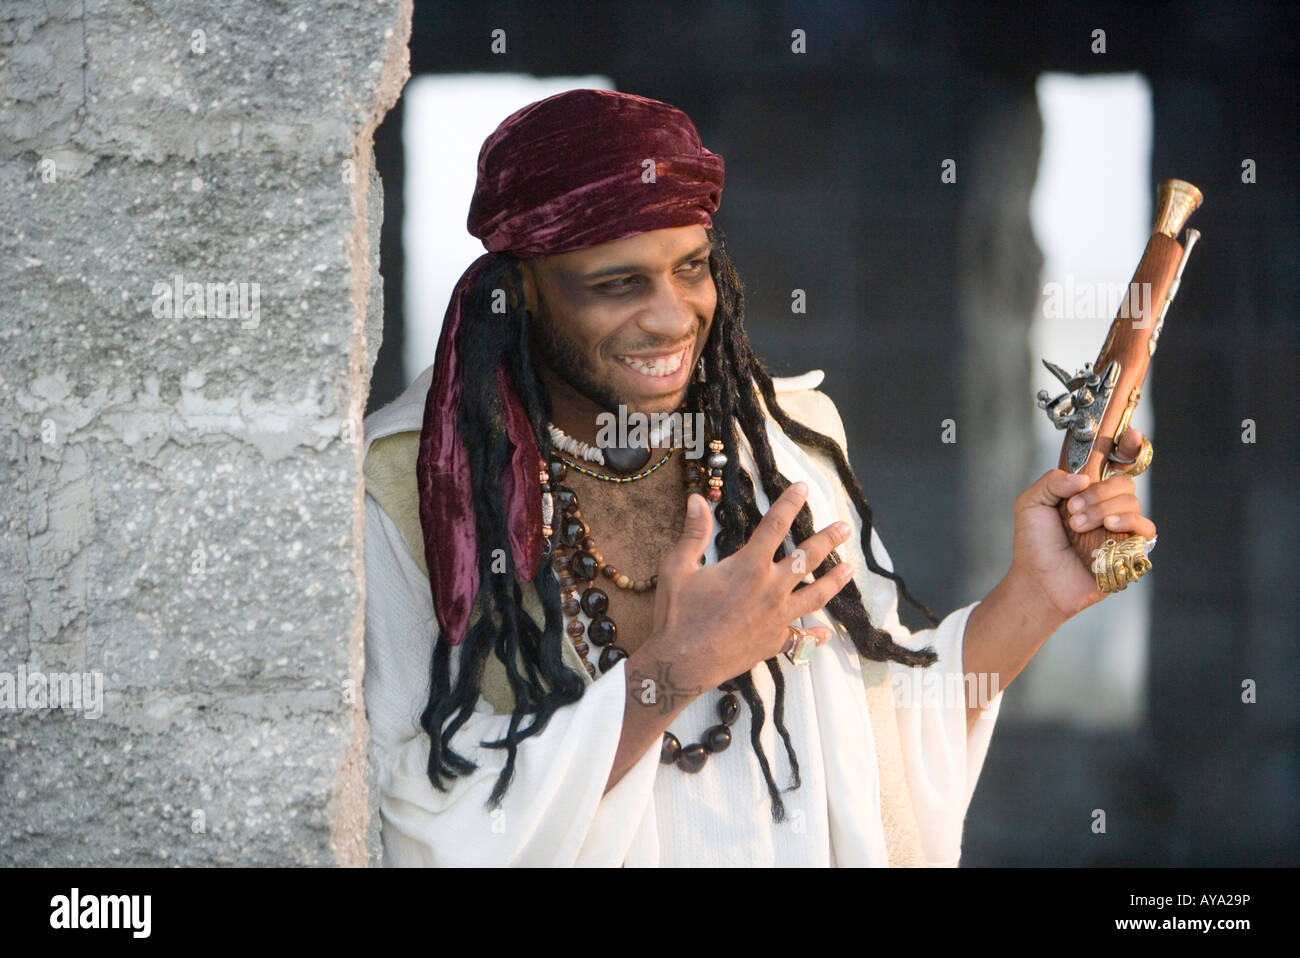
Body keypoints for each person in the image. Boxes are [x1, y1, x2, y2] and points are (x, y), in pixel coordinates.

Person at [361, 89, 1156, 867]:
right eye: (618, 284)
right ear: (520, 292)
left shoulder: (780, 446)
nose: (672, 316)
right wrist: (672, 675)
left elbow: (880, 747)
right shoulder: (411, 491)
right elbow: (410, 825)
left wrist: (1036, 596)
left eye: (690, 269)